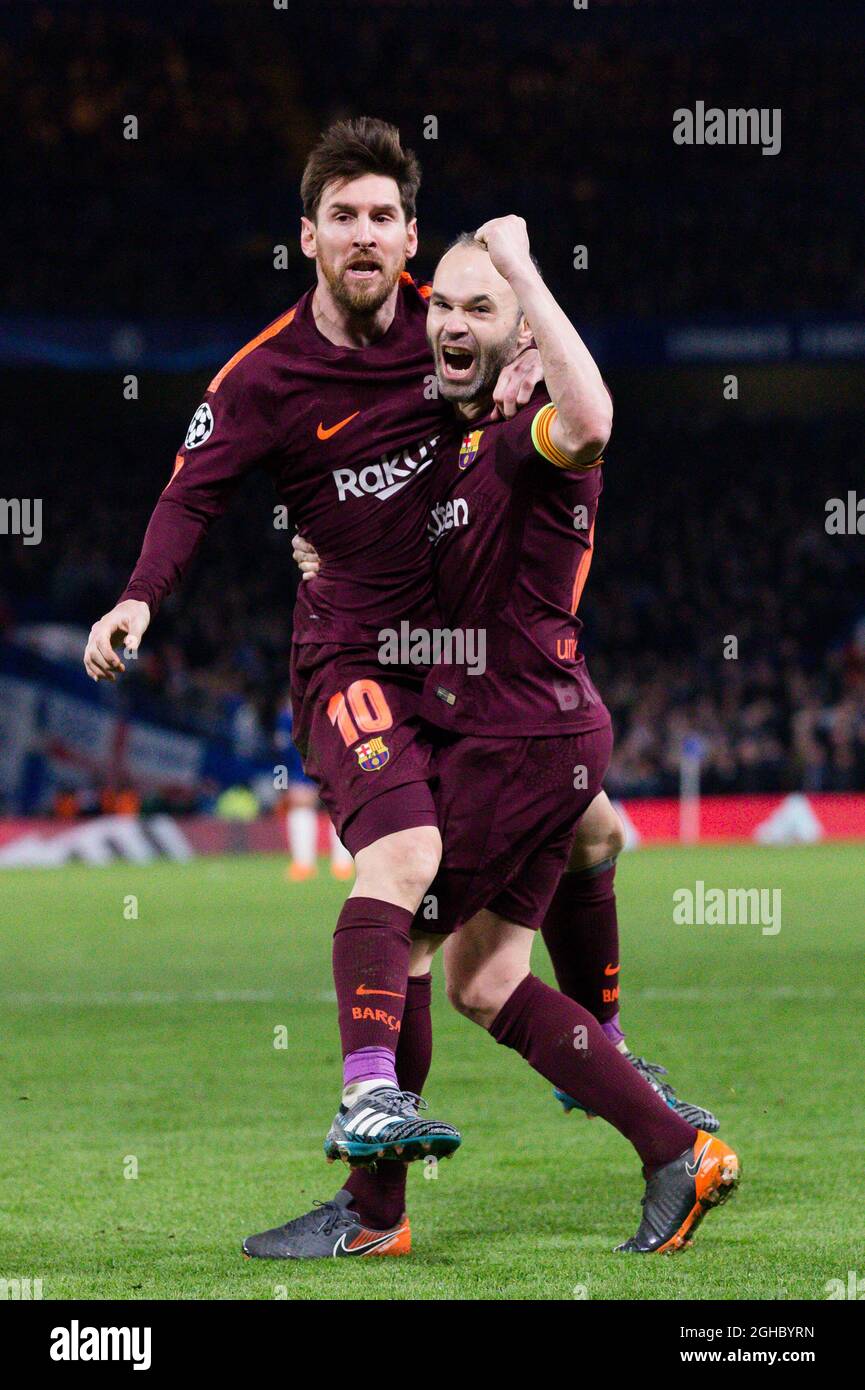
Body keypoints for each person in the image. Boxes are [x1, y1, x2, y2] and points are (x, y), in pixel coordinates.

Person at [244, 219, 739, 1260]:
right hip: (536, 741)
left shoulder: (531, 437)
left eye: (484, 306)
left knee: (405, 937)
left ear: (523, 340)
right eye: (447, 304)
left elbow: (595, 416)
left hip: (514, 744)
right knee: (487, 978)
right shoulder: (467, 441)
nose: (453, 322)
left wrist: (523, 269)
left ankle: (375, 1215)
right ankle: (664, 1135)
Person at [83, 117, 542, 1170]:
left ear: (412, 236)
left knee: (585, 827)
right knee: (405, 858)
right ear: (309, 236)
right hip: (349, 658)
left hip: (466, 660)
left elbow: (551, 420)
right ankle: (366, 1095)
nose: (365, 234)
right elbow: (190, 496)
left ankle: (590, 1055)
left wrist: (530, 381)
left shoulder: (455, 329)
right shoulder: (260, 378)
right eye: (344, 217)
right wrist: (137, 601)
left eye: (384, 216)